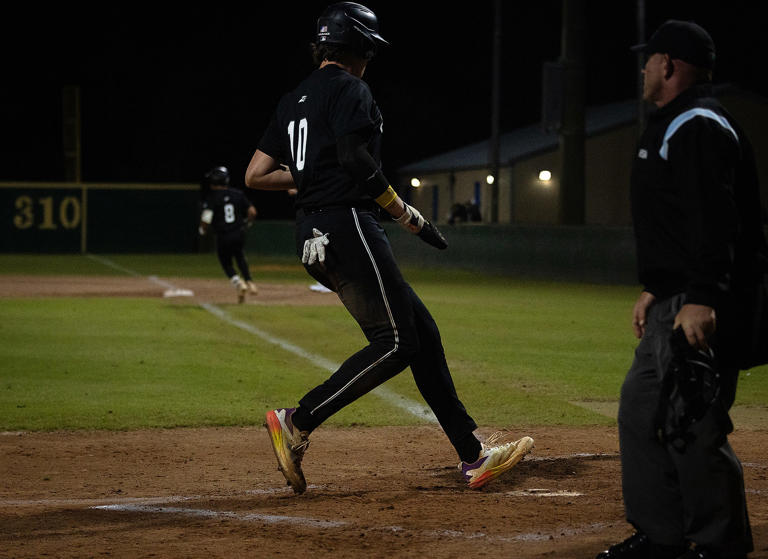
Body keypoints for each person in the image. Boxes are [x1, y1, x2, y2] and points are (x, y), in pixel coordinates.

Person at [245, 2, 533, 494]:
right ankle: (299, 419)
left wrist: (313, 179)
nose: (368, 62)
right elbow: (356, 158)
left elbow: (256, 175)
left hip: (311, 231)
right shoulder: (352, 88)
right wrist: (404, 213)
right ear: (358, 49)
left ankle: (473, 456)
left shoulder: (293, 99)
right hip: (347, 224)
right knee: (397, 342)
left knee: (421, 332)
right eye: (368, 52)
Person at [596, 19, 764, 559]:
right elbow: (678, 224)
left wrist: (701, 296)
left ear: (669, 65)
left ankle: (721, 544)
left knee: (691, 420)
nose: (643, 68)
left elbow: (718, 221)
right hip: (675, 296)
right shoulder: (675, 123)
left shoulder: (698, 125)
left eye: (650, 59)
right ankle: (662, 535)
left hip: (704, 302)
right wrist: (658, 288)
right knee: (641, 409)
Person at [199, 165, 259, 303]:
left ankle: (239, 283)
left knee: (226, 262)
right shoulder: (237, 194)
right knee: (239, 256)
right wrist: (247, 223)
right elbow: (252, 212)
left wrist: (202, 230)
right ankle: (250, 281)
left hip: (223, 235)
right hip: (239, 233)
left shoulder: (212, 197)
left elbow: (206, 218)